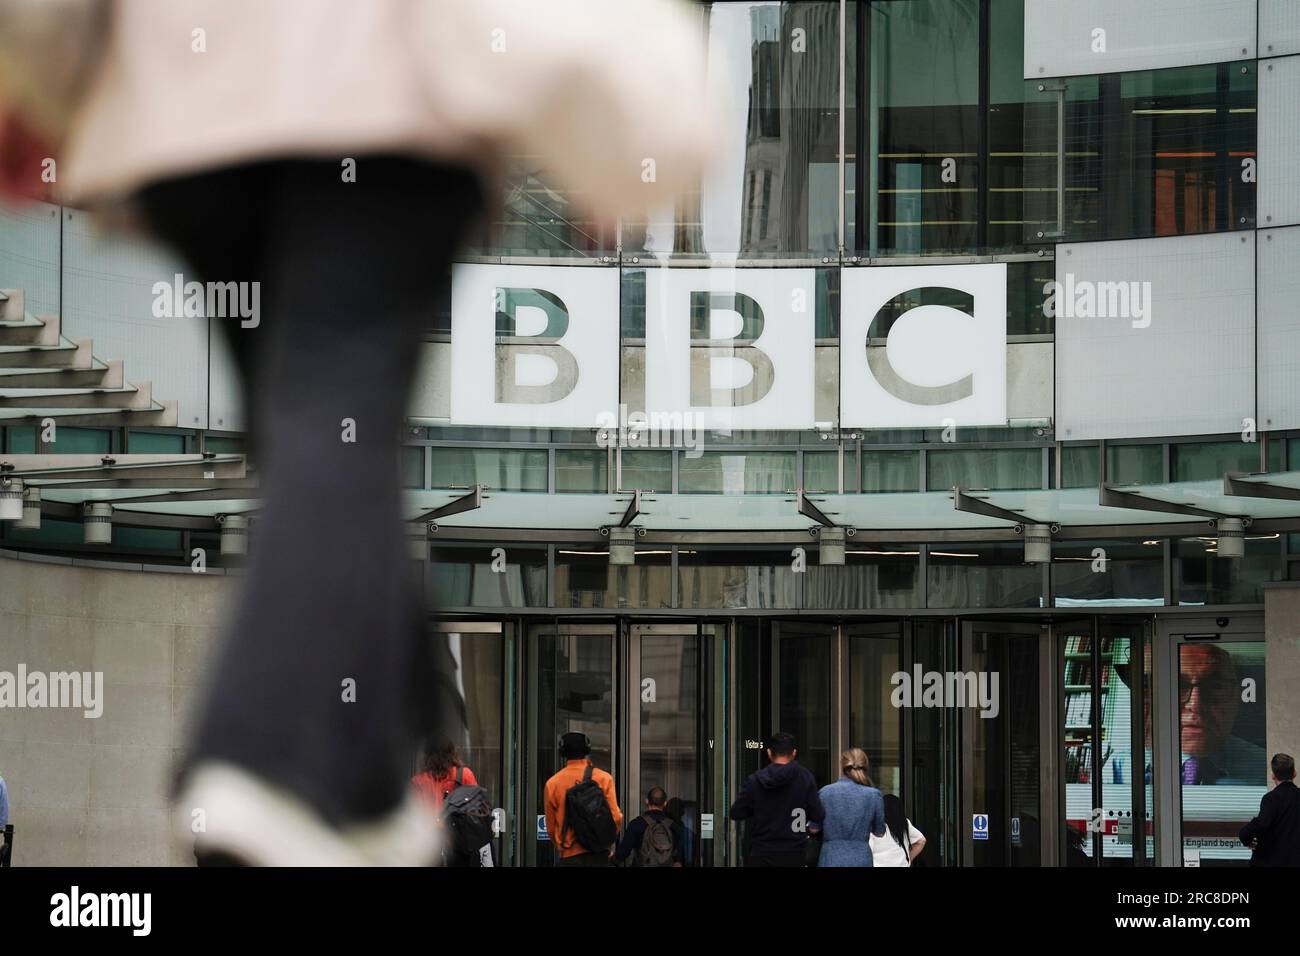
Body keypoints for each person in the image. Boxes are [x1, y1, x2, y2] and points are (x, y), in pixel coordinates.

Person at [0, 0, 709, 865]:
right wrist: (624, 145)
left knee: (317, 442)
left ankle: (368, 796)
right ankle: (258, 759)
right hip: (375, 106)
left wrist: (38, 83)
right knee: (333, 428)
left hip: (185, 122)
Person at [729, 731, 824, 867]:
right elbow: (818, 814)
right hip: (794, 853)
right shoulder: (805, 778)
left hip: (761, 852)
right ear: (794, 753)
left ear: (769, 753)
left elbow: (736, 812)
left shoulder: (755, 780)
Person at [543, 732, 623, 866]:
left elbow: (551, 826)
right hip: (599, 854)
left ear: (562, 751)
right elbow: (616, 817)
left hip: (569, 856)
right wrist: (605, 842)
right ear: (587, 749)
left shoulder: (553, 783)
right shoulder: (604, 778)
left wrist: (562, 846)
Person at [816, 748, 886, 867]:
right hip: (861, 858)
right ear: (865, 766)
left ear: (842, 766)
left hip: (831, 858)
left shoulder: (825, 792)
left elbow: (814, 828)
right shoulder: (873, 795)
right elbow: (880, 832)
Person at [1239, 753, 1300, 866]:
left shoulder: (1271, 799)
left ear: (1272, 775)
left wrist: (1245, 837)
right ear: (1294, 773)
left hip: (1270, 860)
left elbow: (1262, 823)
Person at [617, 787, 686, 867]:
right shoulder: (674, 827)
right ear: (665, 803)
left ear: (647, 801)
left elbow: (623, 853)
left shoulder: (636, 824)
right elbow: (679, 859)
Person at [411, 736, 477, 813]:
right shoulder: (465, 774)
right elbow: (476, 809)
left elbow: (413, 815)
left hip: (429, 824)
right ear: (452, 752)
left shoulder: (418, 781)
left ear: (427, 755)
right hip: (457, 824)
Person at [870, 792, 925, 867]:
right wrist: (907, 860)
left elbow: (866, 852)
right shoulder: (904, 823)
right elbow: (921, 841)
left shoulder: (874, 825)